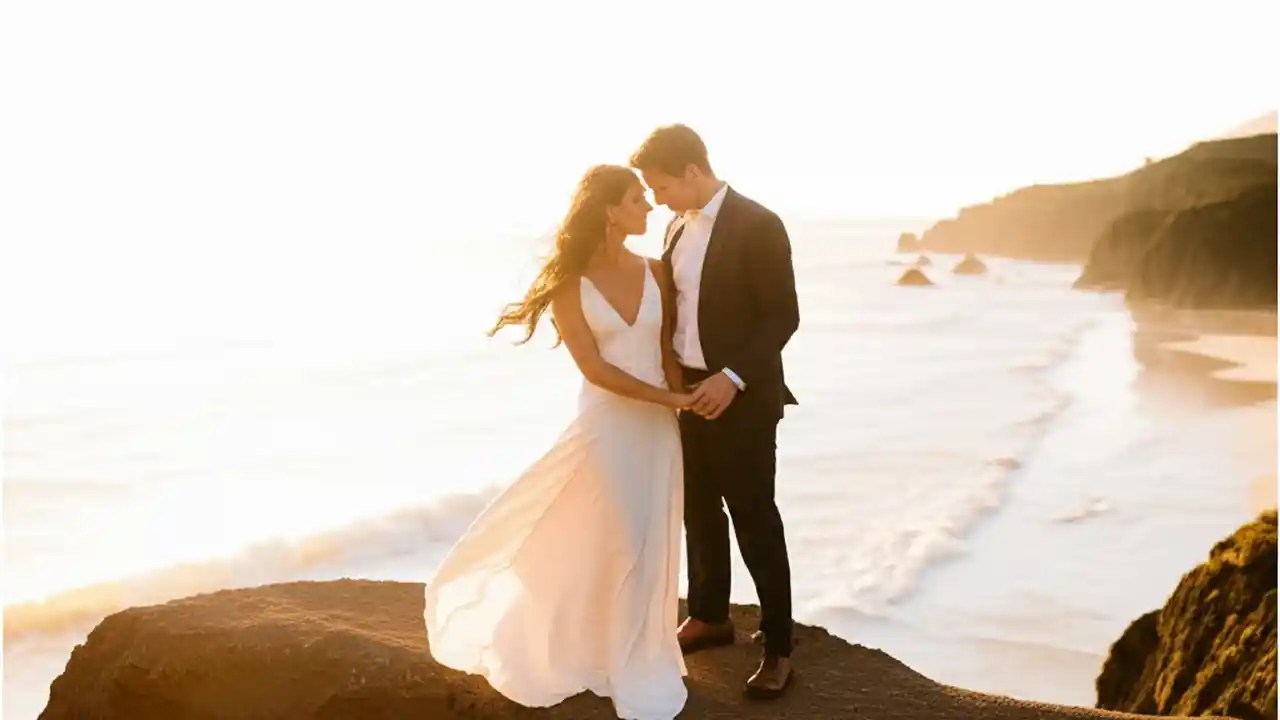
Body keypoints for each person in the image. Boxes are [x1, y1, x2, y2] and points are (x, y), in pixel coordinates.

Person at [423, 164, 691, 720]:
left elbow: (666, 349)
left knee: (650, 539)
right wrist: (668, 398)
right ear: (610, 210)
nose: (647, 207)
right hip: (608, 423)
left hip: (659, 428)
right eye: (636, 199)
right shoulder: (570, 282)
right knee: (621, 534)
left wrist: (682, 403)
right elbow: (594, 368)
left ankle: (633, 651)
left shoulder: (657, 271)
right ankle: (587, 645)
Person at [631, 123, 800, 698]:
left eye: (661, 187)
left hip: (743, 396)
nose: (658, 201)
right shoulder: (677, 226)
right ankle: (709, 616)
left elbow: (782, 316)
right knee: (698, 509)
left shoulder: (759, 223)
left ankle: (778, 646)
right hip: (689, 393)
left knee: (754, 515)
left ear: (691, 171)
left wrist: (732, 378)